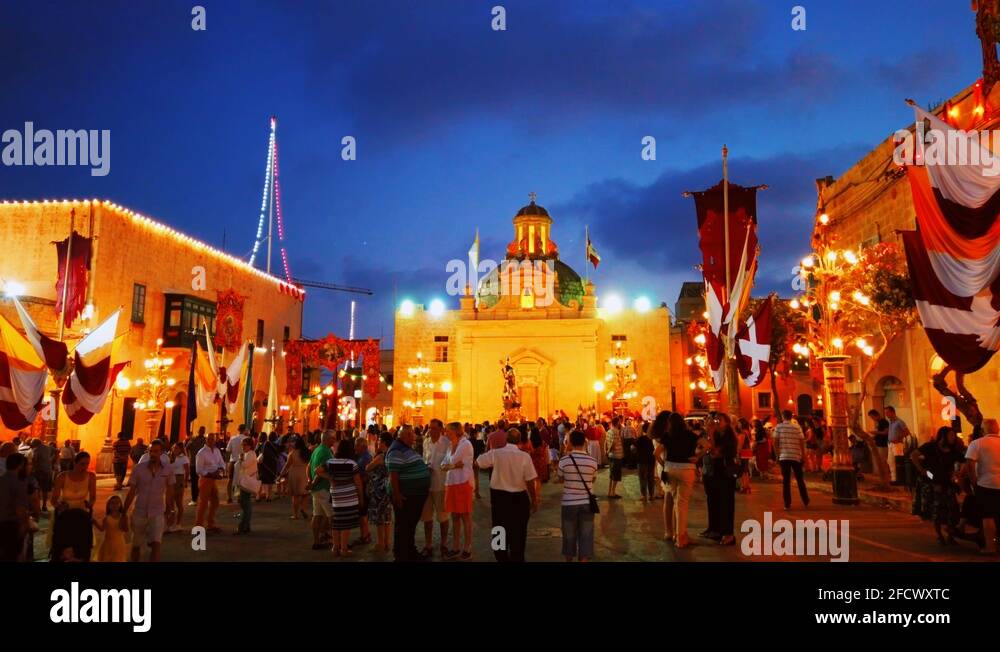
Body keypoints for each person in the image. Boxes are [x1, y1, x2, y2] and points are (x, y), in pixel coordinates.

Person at [474, 427, 538, 562]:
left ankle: (500, 557)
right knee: (519, 531)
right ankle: (517, 557)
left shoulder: (495, 453)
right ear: (519, 440)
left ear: (506, 439)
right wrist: (534, 499)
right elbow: (530, 480)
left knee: (499, 528)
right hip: (519, 498)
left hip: (499, 498)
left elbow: (478, 462)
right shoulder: (524, 456)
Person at [910, 426, 964, 546]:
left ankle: (950, 534)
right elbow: (914, 455)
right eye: (950, 435)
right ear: (943, 436)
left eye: (953, 435)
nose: (953, 438)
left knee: (952, 508)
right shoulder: (930, 447)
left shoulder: (953, 449)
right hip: (932, 478)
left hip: (948, 481)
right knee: (936, 509)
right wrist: (922, 470)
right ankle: (939, 535)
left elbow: (962, 461)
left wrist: (957, 473)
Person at [386, 425, 431, 561]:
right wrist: (397, 494)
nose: (414, 437)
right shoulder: (396, 450)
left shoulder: (404, 448)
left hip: (413, 495)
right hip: (406, 496)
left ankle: (409, 551)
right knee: (404, 526)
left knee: (409, 526)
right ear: (403, 436)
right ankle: (402, 555)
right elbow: (393, 474)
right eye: (411, 435)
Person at [123, 440, 173, 562]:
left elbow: (170, 490)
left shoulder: (168, 469)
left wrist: (170, 509)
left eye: (156, 451)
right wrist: (123, 512)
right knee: (136, 545)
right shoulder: (139, 469)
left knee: (156, 544)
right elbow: (131, 491)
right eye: (151, 451)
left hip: (157, 512)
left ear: (161, 452)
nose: (153, 454)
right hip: (139, 511)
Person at [657, 412, 698, 547]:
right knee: (682, 504)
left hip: (670, 469)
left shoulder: (667, 436)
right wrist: (698, 457)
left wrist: (664, 464)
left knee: (674, 502)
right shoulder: (691, 435)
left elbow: (656, 454)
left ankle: (678, 534)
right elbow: (707, 445)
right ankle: (680, 537)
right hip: (686, 469)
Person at [558, 429, 598, 561]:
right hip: (587, 503)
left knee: (569, 534)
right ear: (584, 442)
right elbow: (593, 479)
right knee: (586, 535)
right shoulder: (593, 461)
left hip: (569, 503)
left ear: (570, 442)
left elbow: (561, 478)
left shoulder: (564, 461)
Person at [51, 451, 97, 562]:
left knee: (80, 544)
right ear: (75, 463)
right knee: (64, 544)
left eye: (87, 464)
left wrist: (90, 503)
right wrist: (59, 506)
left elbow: (93, 496)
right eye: (82, 464)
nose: (85, 467)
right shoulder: (62, 476)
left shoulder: (91, 476)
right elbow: (53, 500)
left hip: (81, 515)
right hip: (65, 515)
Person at [965, 418, 1000, 553]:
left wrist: (974, 483)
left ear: (983, 430)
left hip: (986, 484)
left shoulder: (977, 443)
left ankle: (990, 546)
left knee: (988, 515)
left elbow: (969, 464)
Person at [703, 414, 738, 545]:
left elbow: (715, 452)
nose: (716, 422)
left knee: (726, 504)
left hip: (726, 474)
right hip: (715, 473)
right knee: (715, 502)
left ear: (727, 423)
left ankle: (728, 534)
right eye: (715, 420)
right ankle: (716, 530)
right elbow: (709, 450)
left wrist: (711, 434)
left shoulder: (729, 438)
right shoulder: (718, 435)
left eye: (719, 420)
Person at [442, 422, 474, 560]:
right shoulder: (451, 445)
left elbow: (452, 460)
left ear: (455, 431)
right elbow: (443, 465)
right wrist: (454, 465)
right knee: (454, 516)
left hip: (463, 482)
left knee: (465, 516)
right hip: (451, 482)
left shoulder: (465, 444)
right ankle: (455, 547)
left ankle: (467, 547)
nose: (446, 434)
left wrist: (452, 464)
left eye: (448, 431)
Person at [420, 419, 451, 556]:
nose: (430, 430)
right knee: (427, 517)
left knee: (443, 517)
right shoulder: (426, 442)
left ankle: (444, 543)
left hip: (440, 485)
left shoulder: (447, 443)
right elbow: (424, 459)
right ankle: (428, 544)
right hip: (426, 484)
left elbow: (449, 462)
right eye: (430, 428)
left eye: (433, 428)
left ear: (440, 429)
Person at [774, 410, 810, 511]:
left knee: (786, 481)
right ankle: (805, 499)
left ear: (783, 416)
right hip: (796, 456)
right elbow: (801, 442)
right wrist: (803, 455)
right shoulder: (797, 427)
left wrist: (777, 455)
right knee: (800, 479)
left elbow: (775, 442)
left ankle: (787, 503)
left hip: (784, 456)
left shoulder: (778, 427)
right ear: (791, 417)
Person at [307, 430, 335, 550]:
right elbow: (320, 471)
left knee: (317, 515)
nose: (334, 440)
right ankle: (336, 542)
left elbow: (309, 466)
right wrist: (314, 482)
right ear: (327, 439)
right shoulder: (326, 452)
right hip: (323, 487)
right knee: (332, 516)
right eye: (333, 438)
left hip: (316, 489)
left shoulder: (317, 449)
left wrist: (309, 480)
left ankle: (316, 540)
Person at [366, 432, 394, 553]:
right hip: (388, 488)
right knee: (386, 517)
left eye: (379, 441)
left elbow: (368, 467)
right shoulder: (392, 455)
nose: (378, 442)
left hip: (379, 489)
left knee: (379, 518)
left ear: (383, 442)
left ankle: (380, 543)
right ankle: (387, 542)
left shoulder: (381, 456)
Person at [0, 453, 30, 561]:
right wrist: (24, 524)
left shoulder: (2, 479)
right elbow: (20, 508)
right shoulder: (19, 482)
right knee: (13, 555)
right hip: (11, 525)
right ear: (20, 465)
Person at [194, 433, 225, 533]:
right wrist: (211, 474)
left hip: (213, 479)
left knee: (215, 501)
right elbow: (199, 470)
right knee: (203, 503)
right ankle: (198, 526)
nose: (212, 441)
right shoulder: (201, 453)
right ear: (206, 440)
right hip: (205, 479)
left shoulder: (216, 451)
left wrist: (220, 470)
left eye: (213, 439)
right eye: (210, 439)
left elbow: (221, 462)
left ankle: (210, 523)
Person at [279, 435, 311, 520]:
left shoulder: (293, 453)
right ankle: (303, 509)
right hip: (305, 473)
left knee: (295, 496)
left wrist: (281, 475)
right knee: (305, 494)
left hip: (295, 474)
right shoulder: (307, 452)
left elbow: (287, 466)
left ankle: (295, 514)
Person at [234, 437, 259, 535]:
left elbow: (244, 465)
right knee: (245, 503)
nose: (242, 447)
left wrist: (240, 459)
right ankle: (246, 525)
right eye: (242, 445)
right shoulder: (248, 454)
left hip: (247, 482)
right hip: (245, 481)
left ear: (249, 445)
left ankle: (243, 526)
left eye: (244, 445)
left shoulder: (251, 454)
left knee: (245, 504)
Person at [93, 495, 129, 562]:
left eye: (117, 503)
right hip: (107, 543)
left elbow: (126, 529)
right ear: (108, 505)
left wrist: (124, 520)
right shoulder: (107, 518)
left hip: (119, 544)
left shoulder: (122, 517)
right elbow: (102, 529)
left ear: (120, 504)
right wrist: (95, 522)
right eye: (112, 503)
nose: (114, 505)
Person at [166, 442, 189, 532]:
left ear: (180, 449)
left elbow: (187, 471)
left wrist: (185, 481)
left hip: (179, 478)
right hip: (170, 479)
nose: (174, 450)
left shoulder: (183, 458)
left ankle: (178, 523)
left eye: (176, 448)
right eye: (174, 448)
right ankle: (169, 522)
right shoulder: (169, 457)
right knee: (169, 501)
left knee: (178, 502)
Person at [885, 406, 910, 484]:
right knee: (890, 461)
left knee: (898, 462)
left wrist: (899, 438)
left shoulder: (899, 421)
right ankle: (894, 479)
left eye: (888, 413)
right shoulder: (891, 422)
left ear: (892, 412)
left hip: (897, 444)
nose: (886, 415)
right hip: (890, 444)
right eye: (886, 413)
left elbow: (906, 432)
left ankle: (900, 479)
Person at [28, 439, 53, 512]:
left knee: (37, 489)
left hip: (39, 472)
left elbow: (34, 461)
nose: (31, 445)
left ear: (36, 444)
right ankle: (44, 505)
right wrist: (51, 460)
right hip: (48, 471)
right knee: (45, 490)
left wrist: (32, 469)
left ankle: (38, 505)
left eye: (32, 444)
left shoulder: (36, 450)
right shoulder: (48, 447)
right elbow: (56, 451)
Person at [225, 425, 249, 503]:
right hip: (242, 461)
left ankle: (229, 497)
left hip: (233, 461)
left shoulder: (233, 439)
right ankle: (239, 497)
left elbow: (228, 451)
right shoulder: (246, 439)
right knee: (240, 480)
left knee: (230, 479)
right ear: (244, 430)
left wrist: (227, 462)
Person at [634, 422, 656, 501]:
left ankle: (643, 495)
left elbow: (633, 449)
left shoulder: (640, 439)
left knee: (642, 478)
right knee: (650, 478)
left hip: (641, 461)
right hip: (651, 461)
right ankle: (651, 495)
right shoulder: (653, 439)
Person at [185, 427, 207, 505]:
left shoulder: (205, 441)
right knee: (194, 482)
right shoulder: (193, 440)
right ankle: (194, 499)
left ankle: (200, 498)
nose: (202, 432)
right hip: (194, 463)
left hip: (202, 464)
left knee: (202, 482)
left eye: (203, 431)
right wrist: (188, 456)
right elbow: (186, 448)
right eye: (201, 431)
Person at [257, 432, 281, 501]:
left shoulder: (261, 445)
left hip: (263, 464)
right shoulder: (275, 445)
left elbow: (256, 453)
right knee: (270, 480)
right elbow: (279, 453)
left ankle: (258, 495)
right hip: (272, 465)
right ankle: (269, 496)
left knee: (261, 480)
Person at [606, 417, 625, 499]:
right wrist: (609, 450)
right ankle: (613, 492)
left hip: (611, 455)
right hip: (616, 455)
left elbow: (606, 442)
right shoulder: (616, 431)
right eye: (619, 422)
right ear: (617, 422)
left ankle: (610, 491)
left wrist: (607, 451)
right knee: (616, 475)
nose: (620, 423)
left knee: (612, 474)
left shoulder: (609, 431)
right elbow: (613, 443)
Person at [868, 409, 890, 478]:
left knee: (883, 461)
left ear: (876, 415)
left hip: (883, 445)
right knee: (879, 461)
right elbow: (880, 433)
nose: (872, 419)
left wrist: (875, 432)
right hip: (878, 444)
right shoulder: (879, 423)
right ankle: (881, 476)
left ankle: (885, 476)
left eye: (872, 417)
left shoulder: (884, 422)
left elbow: (886, 432)